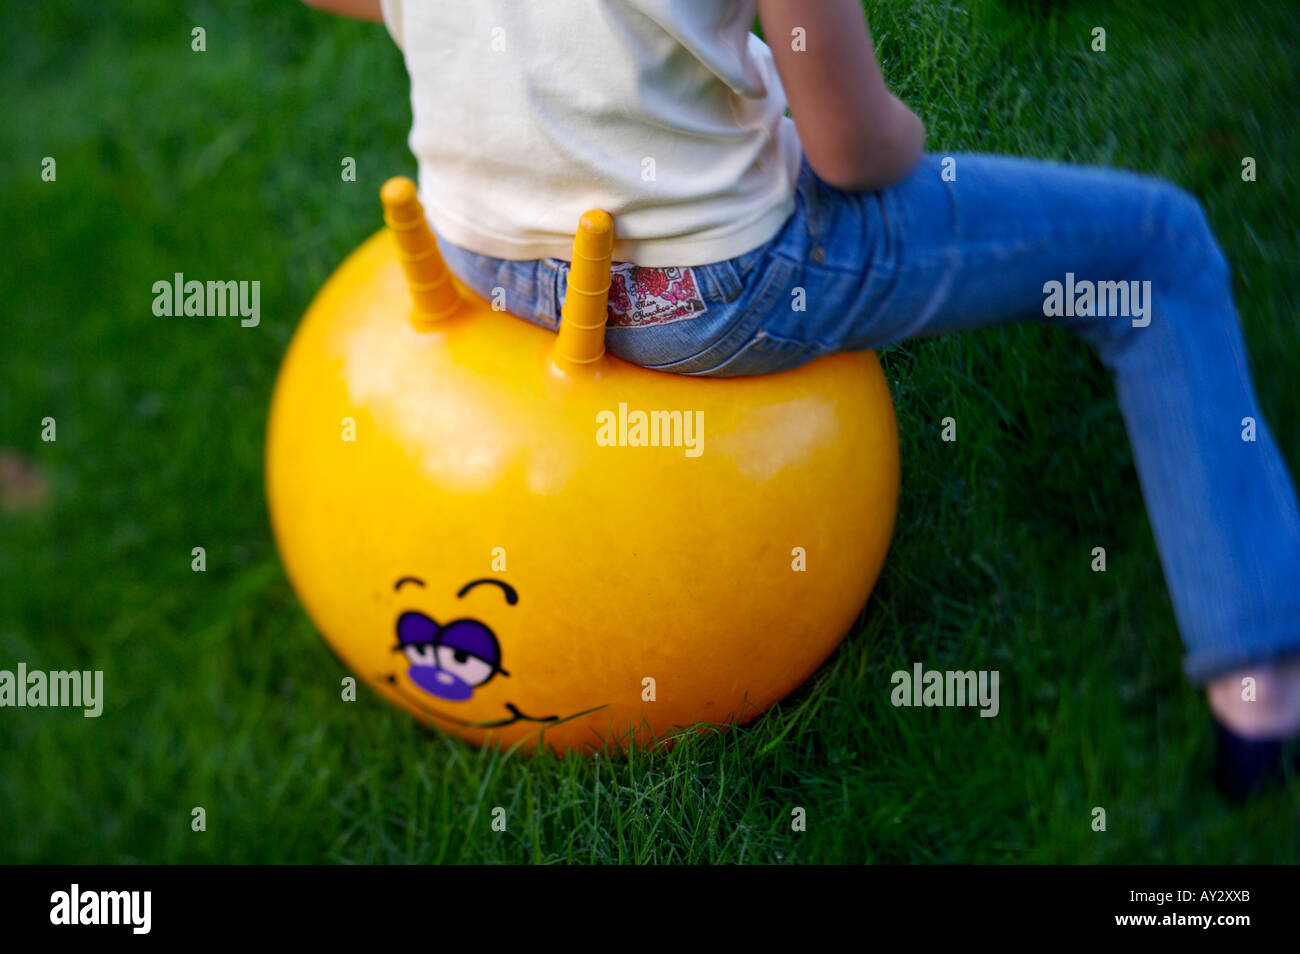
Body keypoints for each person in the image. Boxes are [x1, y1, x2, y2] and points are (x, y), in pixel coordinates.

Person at [301, 0, 1300, 798]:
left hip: (480, 259)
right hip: (710, 292)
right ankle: (1259, 686)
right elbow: (853, 153)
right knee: (1153, 249)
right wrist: (906, 129)